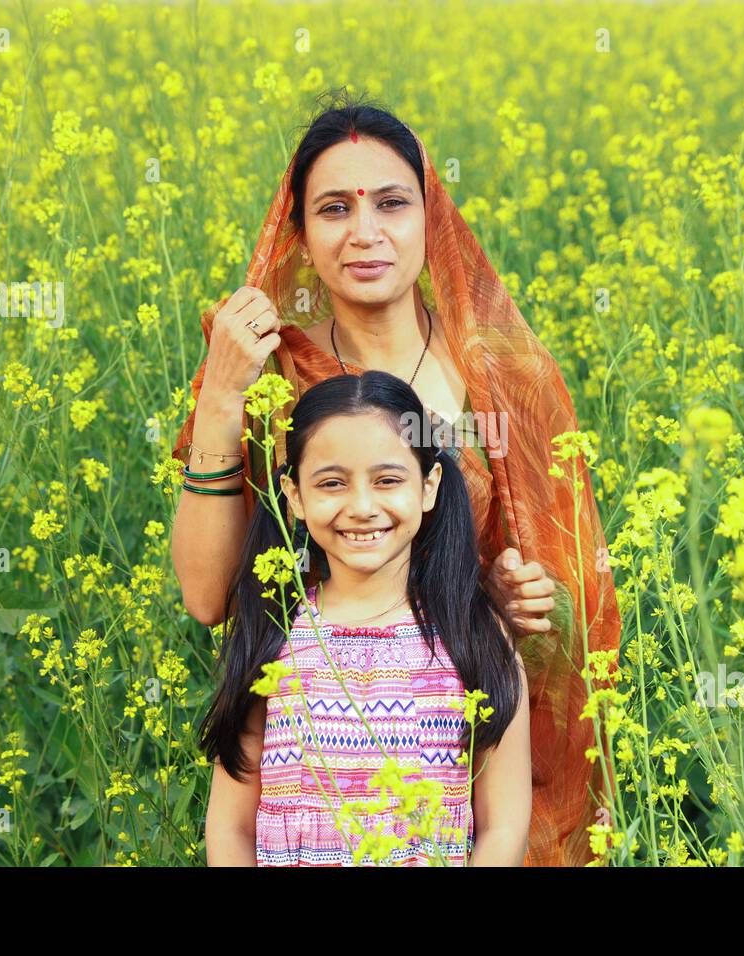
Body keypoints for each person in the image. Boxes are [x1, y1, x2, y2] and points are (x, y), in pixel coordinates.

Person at [172, 92, 620, 866]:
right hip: (308, 735)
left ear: (429, 218)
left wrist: (519, 598)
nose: (366, 232)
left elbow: (583, 599)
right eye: (335, 208)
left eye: (391, 203)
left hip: (461, 740)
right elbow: (208, 597)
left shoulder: (506, 377)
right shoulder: (270, 370)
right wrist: (220, 394)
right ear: (301, 237)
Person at [200, 371, 532, 866]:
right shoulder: (274, 633)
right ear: (293, 496)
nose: (361, 506)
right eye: (331, 483)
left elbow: (504, 828)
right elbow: (229, 827)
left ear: (428, 486)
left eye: (388, 480)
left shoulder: (476, 638)